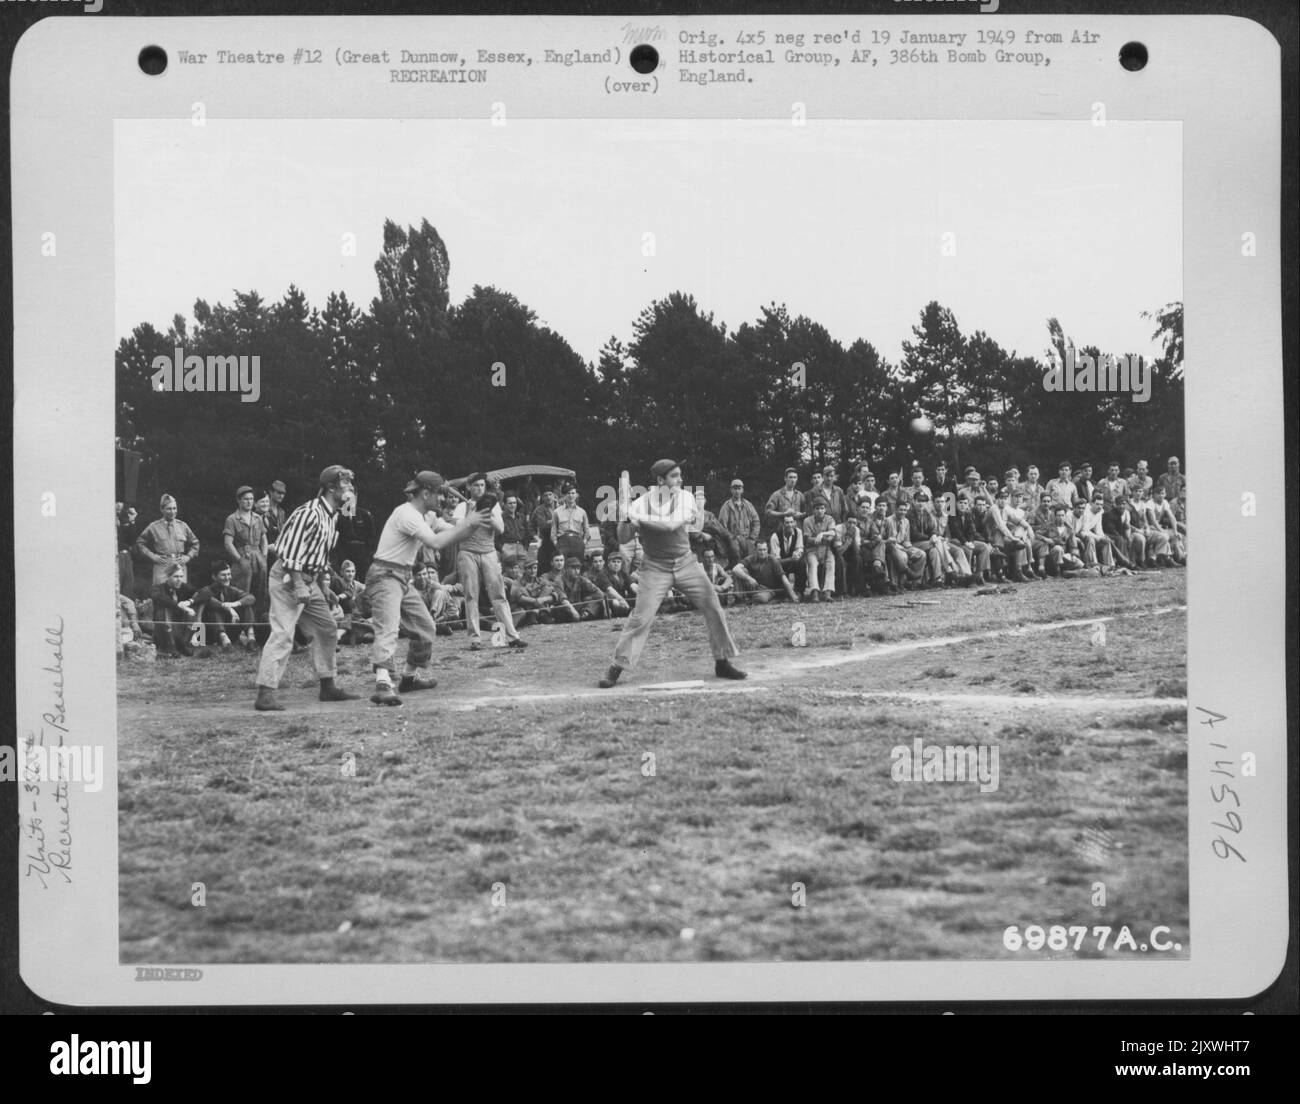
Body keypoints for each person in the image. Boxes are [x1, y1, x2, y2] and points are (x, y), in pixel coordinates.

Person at [598, 460, 745, 688]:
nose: (680, 480)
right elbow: (624, 538)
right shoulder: (641, 503)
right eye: (675, 476)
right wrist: (625, 518)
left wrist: (638, 517)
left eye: (679, 475)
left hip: (686, 563)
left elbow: (670, 525)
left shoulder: (685, 497)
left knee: (713, 606)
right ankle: (616, 667)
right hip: (654, 567)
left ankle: (722, 661)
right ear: (660, 481)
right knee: (641, 617)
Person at [361, 471, 498, 706]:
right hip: (385, 575)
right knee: (388, 628)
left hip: (401, 576)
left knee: (425, 627)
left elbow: (457, 532)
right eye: (439, 494)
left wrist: (476, 517)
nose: (443, 499)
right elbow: (436, 542)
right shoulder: (407, 514)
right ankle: (383, 683)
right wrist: (471, 519)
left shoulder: (427, 515)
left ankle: (408, 677)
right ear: (425, 494)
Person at [253, 465, 363, 711]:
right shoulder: (310, 512)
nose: (351, 489)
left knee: (327, 627)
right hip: (289, 578)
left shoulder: (332, 514)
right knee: (283, 633)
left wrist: (322, 582)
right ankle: (265, 692)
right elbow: (288, 550)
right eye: (346, 484)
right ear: (331, 488)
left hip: (310, 579)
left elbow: (319, 554)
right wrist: (300, 583)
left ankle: (327, 686)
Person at [455, 472, 527, 652]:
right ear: (469, 487)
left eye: (482, 485)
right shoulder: (462, 507)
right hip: (467, 553)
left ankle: (512, 636)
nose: (479, 488)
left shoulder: (492, 506)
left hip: (488, 552)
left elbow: (501, 529)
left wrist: (486, 513)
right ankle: (475, 639)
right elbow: (459, 532)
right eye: (476, 485)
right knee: (471, 595)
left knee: (498, 594)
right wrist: (472, 513)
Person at [223, 485, 269, 621]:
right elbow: (228, 543)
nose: (249, 502)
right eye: (245, 499)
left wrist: (264, 556)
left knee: (260, 592)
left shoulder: (257, 518)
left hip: (258, 558)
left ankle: (257, 626)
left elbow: (264, 539)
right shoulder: (232, 519)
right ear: (238, 501)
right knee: (242, 591)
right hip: (242, 557)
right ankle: (241, 627)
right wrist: (239, 559)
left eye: (251, 499)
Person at [135, 494, 200, 588]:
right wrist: (152, 556)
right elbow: (140, 542)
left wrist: (188, 557)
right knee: (160, 595)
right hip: (162, 565)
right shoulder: (154, 526)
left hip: (179, 565)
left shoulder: (182, 526)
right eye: (169, 509)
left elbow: (195, 543)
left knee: (180, 593)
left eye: (174, 508)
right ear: (162, 510)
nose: (172, 511)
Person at [193, 560, 257, 649]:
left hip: (230, 628)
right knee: (215, 611)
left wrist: (235, 604)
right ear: (214, 577)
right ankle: (224, 640)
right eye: (223, 575)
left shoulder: (232, 590)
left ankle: (251, 638)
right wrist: (228, 608)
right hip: (213, 632)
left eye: (229, 574)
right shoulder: (207, 590)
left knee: (246, 605)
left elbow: (251, 597)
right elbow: (209, 599)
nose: (227, 578)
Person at [150, 563, 200, 656]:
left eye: (181, 576)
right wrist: (179, 606)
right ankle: (170, 646)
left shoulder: (184, 587)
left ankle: (183, 645)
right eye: (176, 576)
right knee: (165, 609)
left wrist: (190, 601)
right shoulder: (158, 588)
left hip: (180, 628)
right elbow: (158, 597)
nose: (179, 579)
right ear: (168, 577)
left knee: (191, 611)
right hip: (163, 631)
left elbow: (202, 592)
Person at [732, 539, 798, 603]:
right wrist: (749, 578)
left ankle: (753, 598)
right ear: (755, 550)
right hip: (754, 587)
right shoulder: (750, 558)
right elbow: (735, 569)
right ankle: (739, 599)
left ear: (767, 550)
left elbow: (783, 577)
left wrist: (792, 594)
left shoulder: (773, 560)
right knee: (740, 571)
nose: (762, 552)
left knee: (761, 598)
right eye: (760, 550)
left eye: (764, 550)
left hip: (768, 590)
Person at [717, 479, 761, 564]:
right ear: (731, 490)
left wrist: (752, 538)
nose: (737, 491)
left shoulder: (748, 505)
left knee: (753, 559)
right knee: (736, 559)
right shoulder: (726, 507)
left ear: (742, 490)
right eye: (735, 488)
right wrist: (731, 539)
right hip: (733, 540)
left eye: (739, 488)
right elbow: (722, 527)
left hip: (748, 538)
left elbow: (756, 522)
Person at [802, 499, 838, 601]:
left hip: (826, 549)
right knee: (812, 565)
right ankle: (814, 592)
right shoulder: (807, 521)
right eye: (817, 508)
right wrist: (818, 539)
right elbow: (807, 539)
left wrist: (821, 534)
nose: (820, 511)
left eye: (822, 508)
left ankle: (827, 592)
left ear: (825, 509)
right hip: (812, 549)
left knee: (831, 563)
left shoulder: (830, 519)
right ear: (813, 510)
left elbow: (833, 534)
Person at [551, 482, 589, 563]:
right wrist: (557, 545)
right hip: (563, 542)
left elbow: (587, 531)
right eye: (568, 493)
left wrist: (583, 543)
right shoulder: (557, 512)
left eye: (573, 493)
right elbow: (553, 531)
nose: (571, 496)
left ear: (576, 495)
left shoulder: (582, 512)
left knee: (578, 566)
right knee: (563, 568)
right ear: (564, 496)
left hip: (577, 542)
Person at [499, 491, 533, 563]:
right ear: (504, 504)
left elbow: (528, 533)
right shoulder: (500, 519)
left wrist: (526, 547)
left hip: (521, 547)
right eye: (510, 503)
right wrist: (502, 549)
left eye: (514, 503)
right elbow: (496, 539)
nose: (513, 505)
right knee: (510, 572)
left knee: (526, 568)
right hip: (508, 548)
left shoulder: (521, 517)